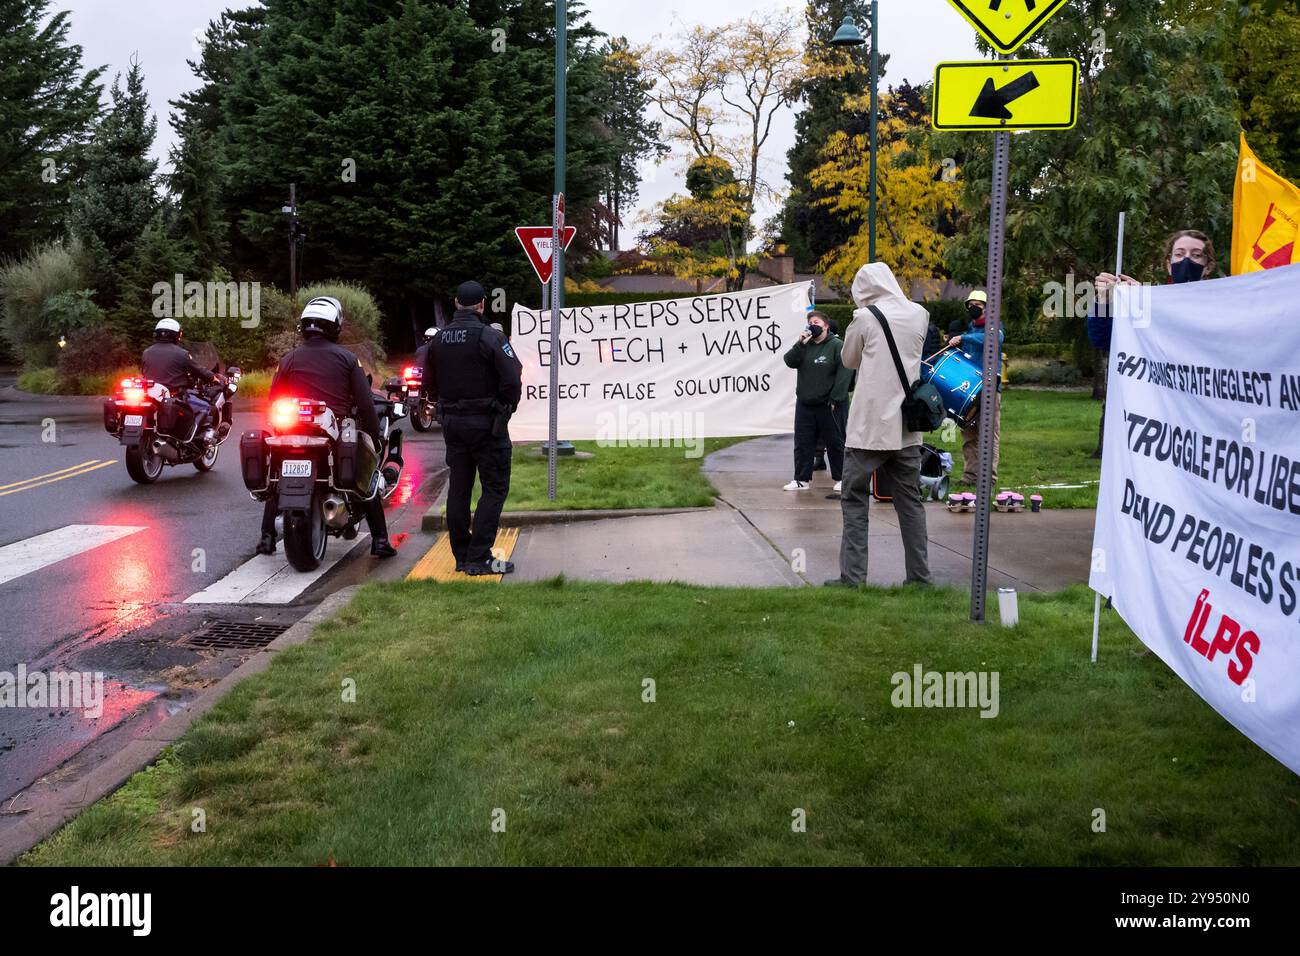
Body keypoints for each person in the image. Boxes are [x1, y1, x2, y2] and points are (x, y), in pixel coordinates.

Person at [258, 296, 397, 559]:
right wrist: (375, 438)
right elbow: (366, 403)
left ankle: (266, 537)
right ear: (335, 326)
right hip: (332, 433)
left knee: (278, 478)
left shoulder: (288, 359)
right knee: (366, 477)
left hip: (291, 430)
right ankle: (380, 540)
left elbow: (273, 399)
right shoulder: (347, 359)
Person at [827, 262, 932, 587]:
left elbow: (849, 360)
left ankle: (853, 577)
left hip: (868, 429)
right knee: (910, 504)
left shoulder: (864, 319)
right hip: (907, 426)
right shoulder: (919, 314)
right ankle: (919, 577)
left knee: (855, 499)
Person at [423, 280, 523, 575]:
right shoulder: (489, 336)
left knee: (460, 487)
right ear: (482, 305)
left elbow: (427, 382)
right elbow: (512, 378)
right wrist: (506, 408)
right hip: (487, 424)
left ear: (455, 303)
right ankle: (479, 557)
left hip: (453, 425)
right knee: (494, 487)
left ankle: (462, 555)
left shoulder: (439, 340)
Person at [1088, 229, 1215, 352]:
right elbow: (1104, 341)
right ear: (1169, 265)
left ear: (1208, 267)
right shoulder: (1148, 302)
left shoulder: (1220, 304)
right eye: (1179, 254)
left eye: (1196, 255)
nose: (1186, 260)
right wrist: (1104, 302)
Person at [782, 310, 852, 492]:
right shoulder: (805, 346)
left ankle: (842, 478)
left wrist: (836, 397)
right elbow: (789, 361)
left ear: (826, 326)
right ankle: (801, 479)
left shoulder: (837, 345)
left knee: (836, 442)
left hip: (831, 403)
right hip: (805, 403)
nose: (813, 325)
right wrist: (800, 343)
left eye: (817, 322)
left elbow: (845, 373)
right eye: (810, 322)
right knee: (803, 442)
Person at [948, 289, 1002, 487]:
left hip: (989, 388)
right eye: (970, 306)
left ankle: (989, 478)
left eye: (977, 306)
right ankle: (970, 477)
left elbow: (995, 339)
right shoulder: (971, 327)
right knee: (969, 434)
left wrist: (964, 338)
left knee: (989, 434)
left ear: (987, 308)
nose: (973, 309)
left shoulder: (993, 325)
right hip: (970, 389)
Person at [140, 318, 225, 442]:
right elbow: (198, 370)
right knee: (207, 407)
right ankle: (193, 438)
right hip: (174, 395)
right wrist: (213, 377)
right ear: (176, 335)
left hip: (150, 394)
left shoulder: (146, 352)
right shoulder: (181, 353)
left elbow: (144, 371)